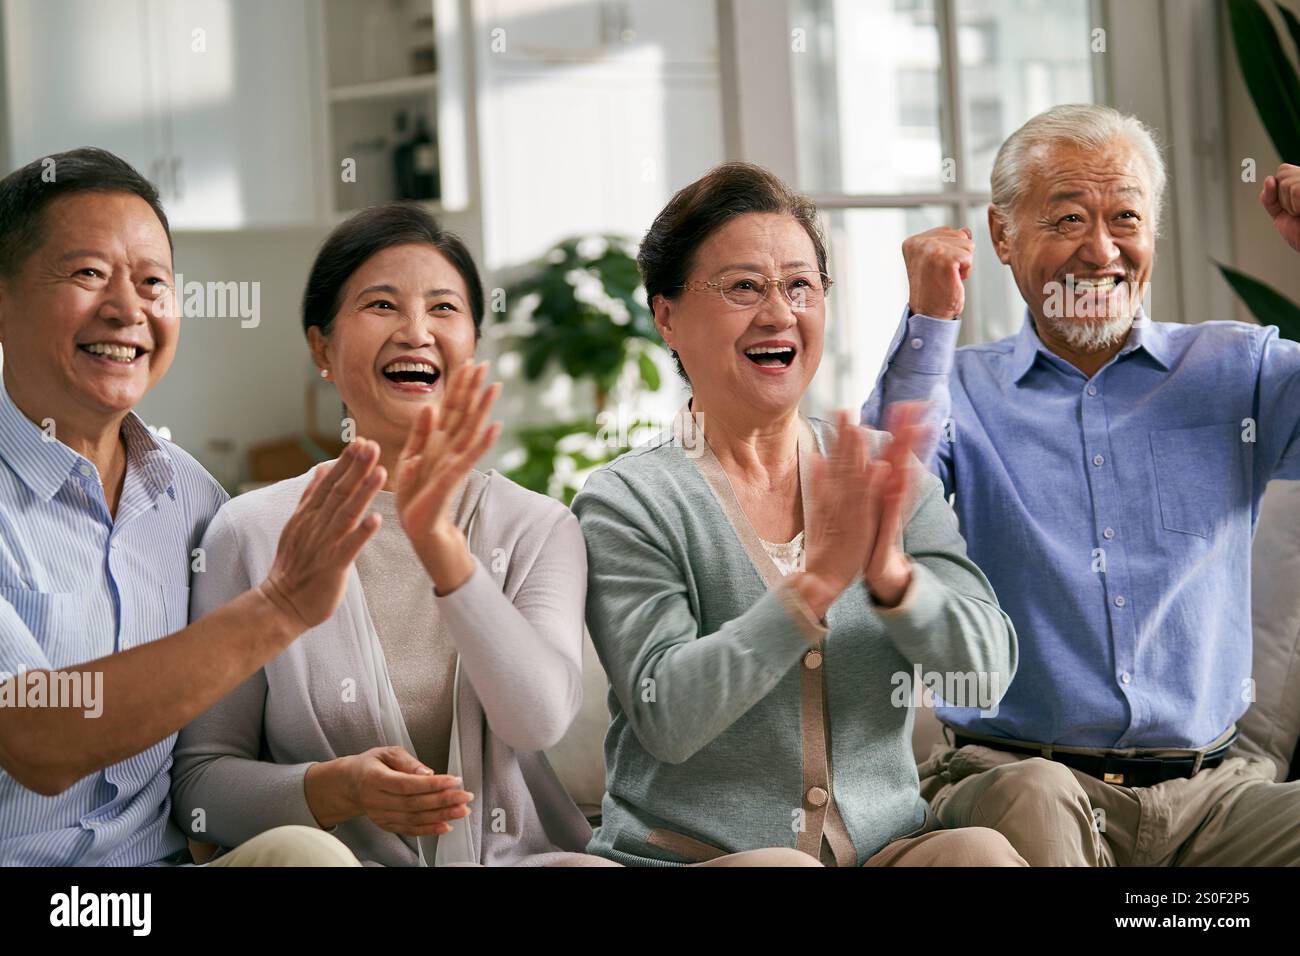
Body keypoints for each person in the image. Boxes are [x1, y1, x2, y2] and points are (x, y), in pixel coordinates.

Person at [863, 104, 1300, 866]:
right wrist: (929, 321)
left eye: (1125, 217)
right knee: (1037, 795)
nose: (1101, 251)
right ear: (1002, 236)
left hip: (1213, 799)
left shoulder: (1240, 370)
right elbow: (879, 506)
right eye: (1066, 218)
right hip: (1018, 777)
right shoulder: (959, 390)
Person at [573, 162, 1025, 867]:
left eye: (799, 286)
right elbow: (666, 714)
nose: (779, 313)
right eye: (744, 287)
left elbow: (988, 674)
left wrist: (893, 577)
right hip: (697, 859)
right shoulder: (629, 500)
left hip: (879, 849)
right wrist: (811, 589)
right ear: (666, 315)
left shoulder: (888, 474)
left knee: (981, 854)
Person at [171, 203, 615, 867]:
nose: (416, 331)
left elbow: (538, 719)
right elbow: (200, 786)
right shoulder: (252, 530)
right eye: (381, 305)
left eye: (443, 308)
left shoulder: (539, 526)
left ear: (472, 345)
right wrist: (336, 788)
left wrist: (441, 547)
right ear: (322, 347)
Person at [0, 147, 377, 866]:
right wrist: (279, 606)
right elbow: (36, 739)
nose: (127, 308)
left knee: (307, 856)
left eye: (152, 282)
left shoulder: (192, 495)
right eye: (87, 273)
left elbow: (226, 745)